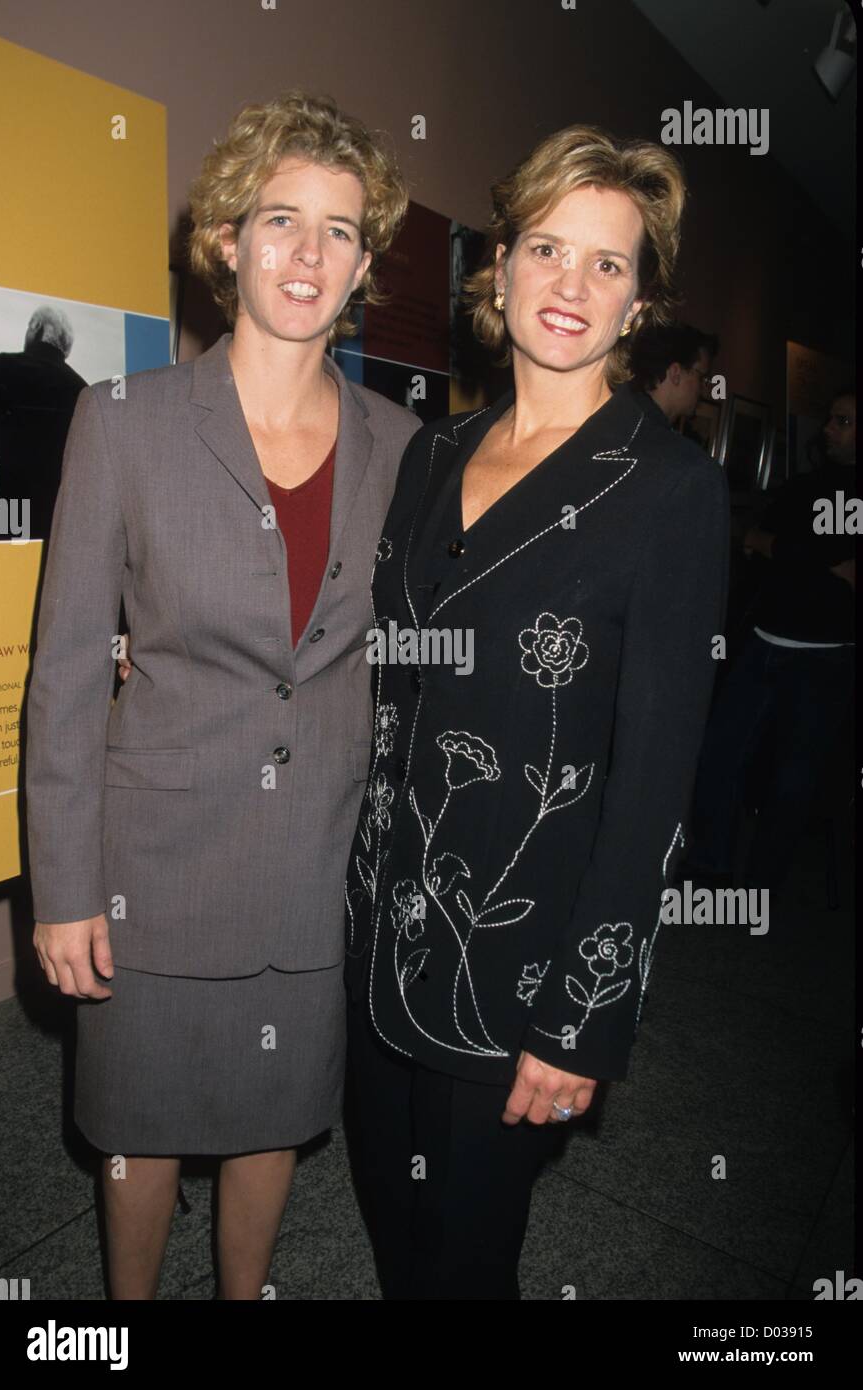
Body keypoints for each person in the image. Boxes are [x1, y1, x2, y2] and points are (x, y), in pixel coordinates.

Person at [26, 91, 420, 1300]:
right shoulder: (125, 422)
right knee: (138, 1126)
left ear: (362, 262)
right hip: (154, 862)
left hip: (314, 860)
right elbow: (67, 669)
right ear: (229, 241)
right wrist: (66, 889)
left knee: (275, 1117)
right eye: (280, 221)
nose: (308, 253)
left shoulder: (404, 445)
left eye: (340, 231)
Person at [343, 124, 730, 1299]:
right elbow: (395, 679)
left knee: (464, 1260)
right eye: (549, 248)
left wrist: (584, 1019)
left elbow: (656, 781)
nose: (572, 284)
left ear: (638, 305)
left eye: (607, 264)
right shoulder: (434, 452)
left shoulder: (667, 489)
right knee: (390, 1227)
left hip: (516, 954)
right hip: (380, 922)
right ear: (498, 263)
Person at [685, 386, 856, 894]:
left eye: (843, 421)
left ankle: (762, 887)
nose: (829, 429)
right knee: (719, 753)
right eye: (832, 418)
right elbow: (761, 539)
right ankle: (711, 865)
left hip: (825, 658)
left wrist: (783, 547)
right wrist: (798, 551)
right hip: (763, 640)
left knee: (793, 780)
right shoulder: (805, 485)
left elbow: (821, 549)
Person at [0, 306, 87, 539]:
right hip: (61, 520)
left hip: (10, 512)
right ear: (65, 347)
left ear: (36, 328)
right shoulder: (83, 392)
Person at [629, 320, 718, 428]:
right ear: (675, 373)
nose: (705, 390)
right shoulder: (658, 438)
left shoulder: (626, 417)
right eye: (702, 377)